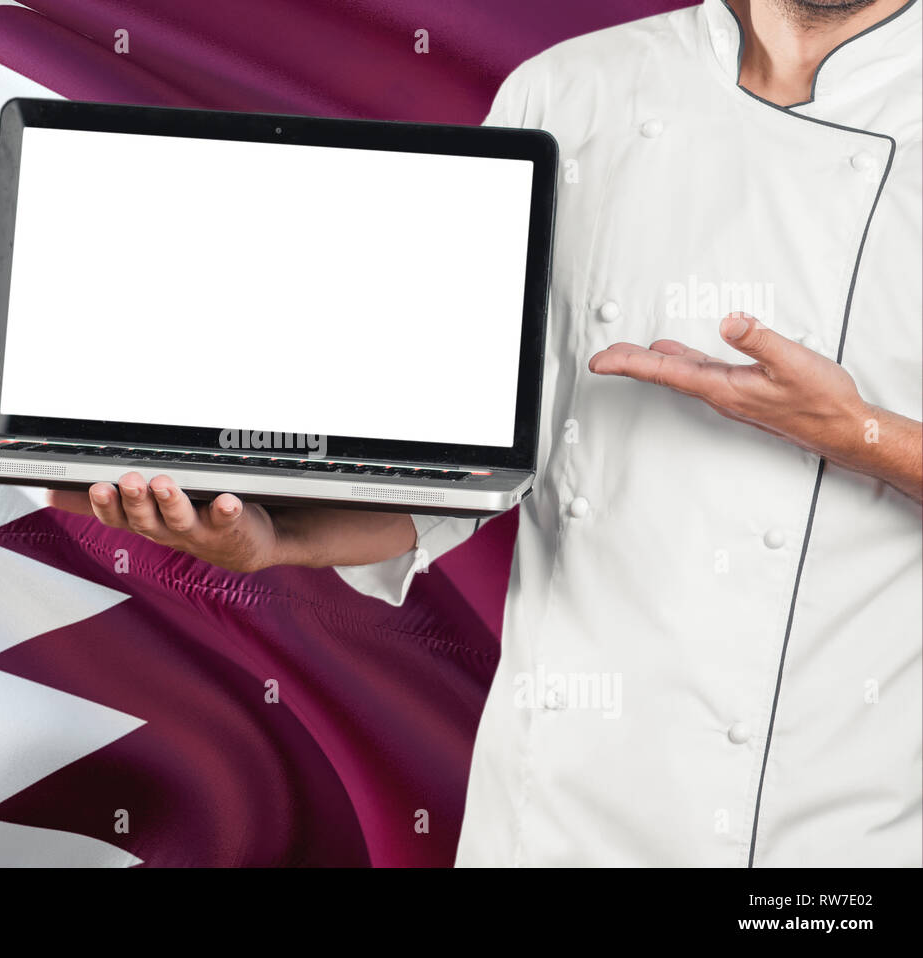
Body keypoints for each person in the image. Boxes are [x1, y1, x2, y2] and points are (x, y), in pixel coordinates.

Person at [47, 0, 922, 865]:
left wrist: (860, 435)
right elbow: (476, 458)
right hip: (556, 817)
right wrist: (276, 537)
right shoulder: (571, 90)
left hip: (837, 829)